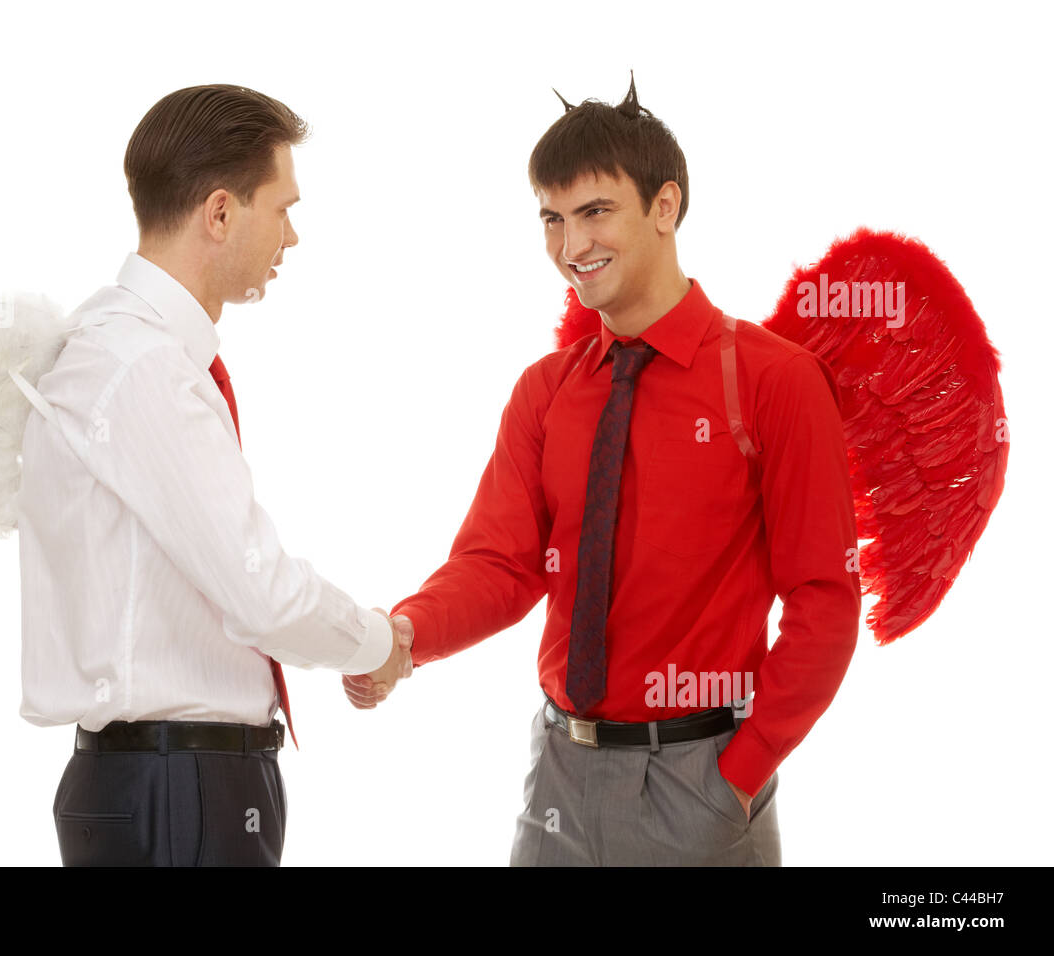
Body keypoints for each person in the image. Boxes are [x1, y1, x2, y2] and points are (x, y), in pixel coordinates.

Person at [346, 76, 861, 866]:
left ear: (665, 206)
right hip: (557, 776)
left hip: (700, 783)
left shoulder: (773, 381)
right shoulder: (547, 391)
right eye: (552, 219)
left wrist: (739, 774)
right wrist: (407, 635)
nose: (570, 245)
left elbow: (825, 601)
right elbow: (500, 563)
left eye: (594, 212)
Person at [17, 84, 412, 866]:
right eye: (282, 207)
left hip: (157, 781)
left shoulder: (111, 348)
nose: (292, 236)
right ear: (221, 213)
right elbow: (259, 590)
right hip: (180, 786)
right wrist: (376, 644)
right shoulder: (144, 367)